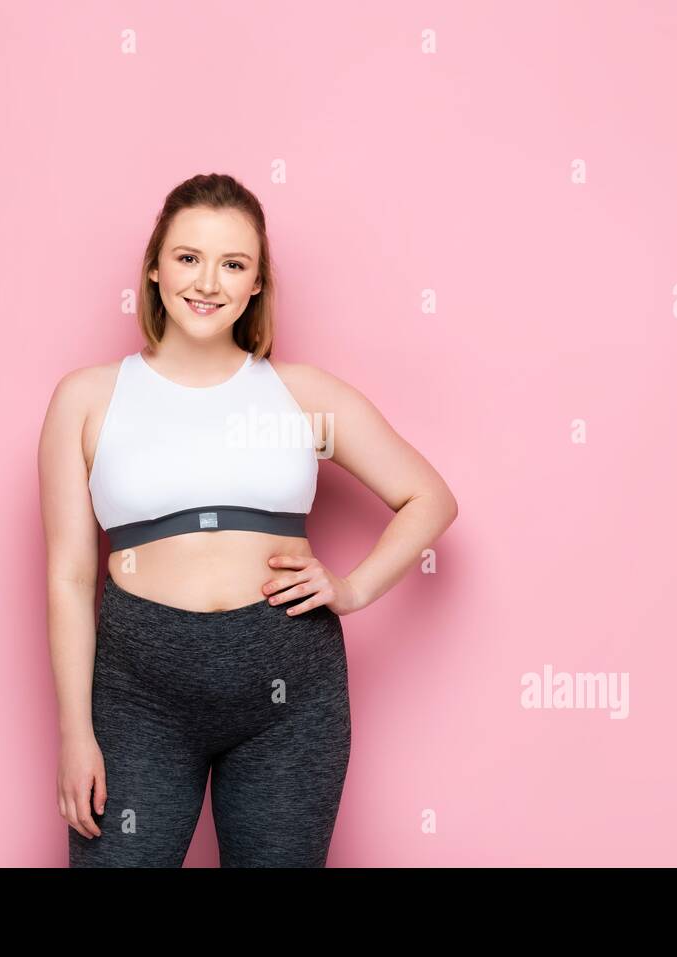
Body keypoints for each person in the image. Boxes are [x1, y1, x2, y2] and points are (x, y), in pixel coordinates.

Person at [37, 173, 458, 867]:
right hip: (139, 696)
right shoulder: (86, 399)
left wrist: (351, 589)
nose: (208, 281)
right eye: (188, 257)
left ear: (257, 283)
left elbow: (429, 497)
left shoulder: (300, 396)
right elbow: (70, 575)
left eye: (233, 264)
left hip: (289, 698)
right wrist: (75, 733)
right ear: (153, 266)